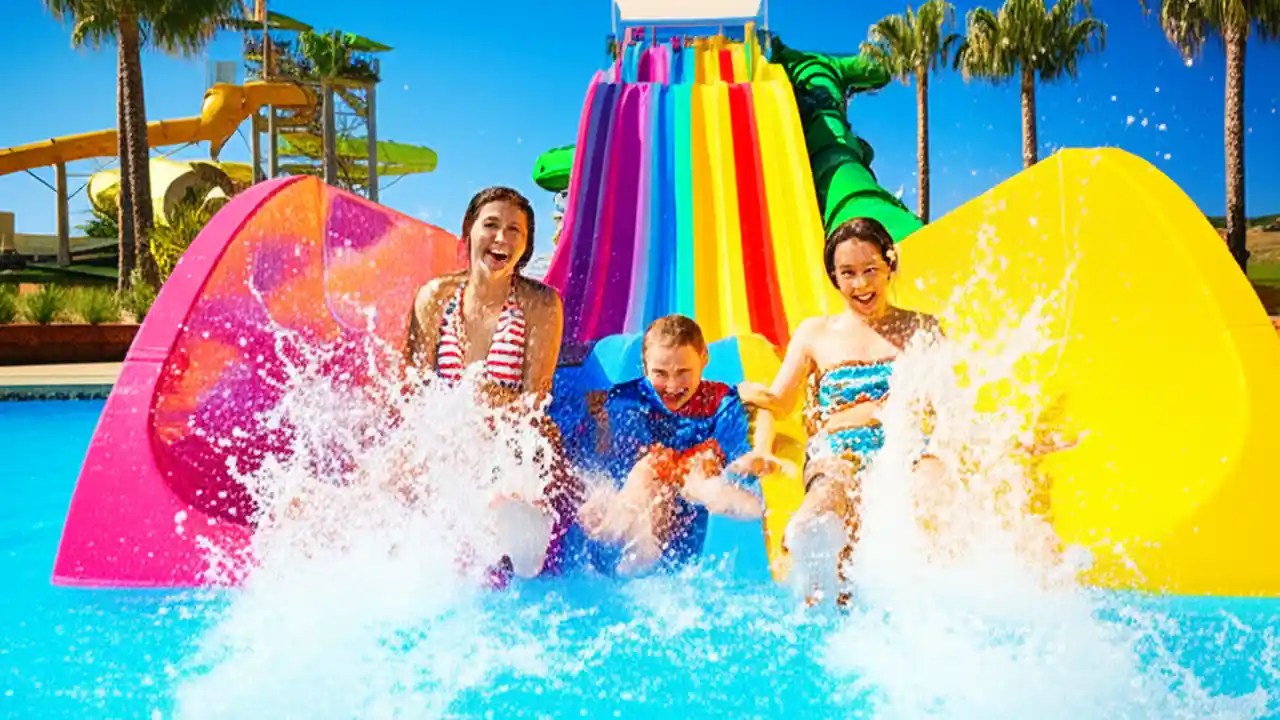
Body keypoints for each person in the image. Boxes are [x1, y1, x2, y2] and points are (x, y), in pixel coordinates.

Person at [738, 217, 945, 606]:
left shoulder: (922, 327)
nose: (861, 285)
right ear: (834, 276)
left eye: (870, 270)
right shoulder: (815, 333)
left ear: (890, 264)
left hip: (906, 449)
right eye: (847, 273)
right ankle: (808, 541)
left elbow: (947, 405)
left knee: (932, 485)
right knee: (829, 494)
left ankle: (942, 596)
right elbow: (781, 402)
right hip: (839, 450)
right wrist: (741, 392)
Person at [400, 186, 573, 581]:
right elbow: (413, 390)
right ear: (469, 231)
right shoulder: (435, 296)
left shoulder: (541, 304)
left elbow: (534, 401)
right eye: (491, 225)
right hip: (451, 437)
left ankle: (510, 525)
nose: (501, 238)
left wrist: (481, 402)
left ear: (526, 247)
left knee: (524, 462)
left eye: (515, 231)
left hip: (513, 437)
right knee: (399, 464)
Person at [565, 315, 768, 576]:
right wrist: (601, 424)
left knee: (699, 470)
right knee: (649, 467)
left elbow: (741, 448)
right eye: (660, 373)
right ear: (644, 365)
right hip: (649, 496)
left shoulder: (721, 403)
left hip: (692, 509)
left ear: (704, 359)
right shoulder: (627, 400)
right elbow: (605, 452)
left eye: (683, 372)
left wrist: (755, 455)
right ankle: (627, 529)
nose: (672, 385)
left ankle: (714, 500)